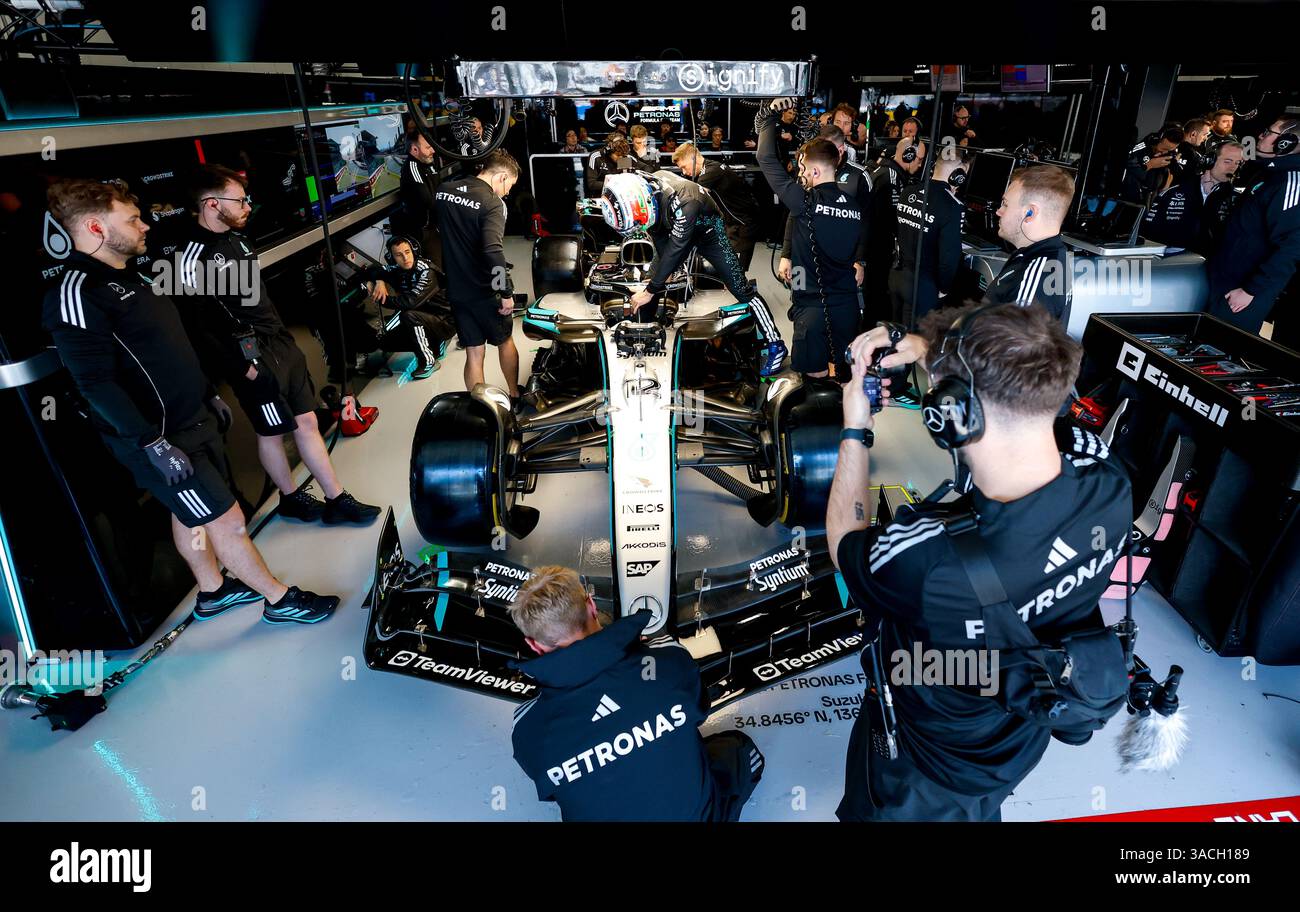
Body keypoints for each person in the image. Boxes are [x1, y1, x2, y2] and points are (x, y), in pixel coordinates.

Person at [829, 303, 1132, 821]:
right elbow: (1016, 391)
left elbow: (844, 540)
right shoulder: (1109, 482)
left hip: (926, 771)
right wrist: (926, 347)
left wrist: (855, 429)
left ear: (948, 417)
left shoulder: (925, 559)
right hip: (1023, 734)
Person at [43, 178, 341, 625]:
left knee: (190, 514)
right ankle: (279, 601)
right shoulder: (76, 294)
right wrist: (152, 444)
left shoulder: (137, 274)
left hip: (194, 417)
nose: (145, 226)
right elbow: (96, 386)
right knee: (229, 521)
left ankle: (213, 591)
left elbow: (173, 346)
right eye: (132, 219)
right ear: (95, 228)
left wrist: (206, 394)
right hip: (158, 438)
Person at [181, 165, 382, 525]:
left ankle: (336, 499)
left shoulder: (239, 239)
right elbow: (198, 328)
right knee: (272, 432)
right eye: (240, 200)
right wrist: (244, 368)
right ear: (211, 204)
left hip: (280, 345)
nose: (247, 206)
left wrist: (285, 340)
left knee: (306, 421)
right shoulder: (193, 257)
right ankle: (290, 498)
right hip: (251, 359)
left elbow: (256, 298)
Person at [508, 566, 765, 821]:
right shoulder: (666, 660)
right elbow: (700, 708)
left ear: (534, 644)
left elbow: (556, 790)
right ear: (592, 607)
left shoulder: (526, 730)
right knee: (740, 750)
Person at [591, 170, 788, 376]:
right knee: (653, 281)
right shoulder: (649, 193)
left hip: (710, 234)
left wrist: (650, 290)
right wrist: (654, 284)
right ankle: (646, 335)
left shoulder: (687, 200)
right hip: (674, 229)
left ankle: (776, 343)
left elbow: (676, 250)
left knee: (741, 289)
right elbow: (660, 240)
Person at [756, 98, 863, 380]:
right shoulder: (853, 206)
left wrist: (769, 116)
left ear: (815, 171)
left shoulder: (805, 202)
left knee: (814, 383)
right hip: (848, 307)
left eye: (804, 170)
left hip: (814, 310)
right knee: (844, 378)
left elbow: (765, 158)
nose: (801, 175)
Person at [434, 150, 524, 400]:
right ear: (502, 177)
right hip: (486, 289)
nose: (507, 192)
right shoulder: (492, 203)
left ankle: (481, 406)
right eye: (510, 186)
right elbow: (493, 250)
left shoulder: (443, 191)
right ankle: (514, 395)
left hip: (457, 288)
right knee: (505, 341)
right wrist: (505, 291)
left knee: (474, 351)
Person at [1206, 117, 1300, 334]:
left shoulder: (1290, 182)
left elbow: (1292, 246)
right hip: (1224, 280)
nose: (1260, 135)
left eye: (1268, 132)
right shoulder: (1267, 174)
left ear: (1285, 142)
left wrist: (1251, 290)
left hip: (1242, 291)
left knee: (1219, 353)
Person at [777, 125, 872, 301]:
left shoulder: (859, 176)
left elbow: (865, 223)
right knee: (799, 302)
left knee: (832, 309)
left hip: (838, 262)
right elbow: (794, 214)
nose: (822, 153)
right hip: (802, 258)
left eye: (827, 148)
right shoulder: (807, 169)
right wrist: (785, 255)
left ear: (841, 150)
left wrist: (860, 261)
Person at [356, 235, 455, 379]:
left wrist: (381, 299)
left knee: (408, 315)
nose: (405, 258)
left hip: (446, 322)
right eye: (399, 255)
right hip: (426, 318)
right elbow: (372, 270)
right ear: (392, 257)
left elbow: (410, 303)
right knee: (385, 342)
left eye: (407, 252)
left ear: (413, 251)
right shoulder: (397, 268)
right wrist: (378, 281)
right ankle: (434, 345)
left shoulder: (427, 271)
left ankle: (429, 361)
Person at [985, 165, 1075, 319]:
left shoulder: (1036, 280)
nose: (999, 211)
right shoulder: (1036, 257)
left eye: (1005, 204)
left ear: (1030, 213)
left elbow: (1009, 342)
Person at [891, 151, 967, 328]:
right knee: (916, 347)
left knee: (895, 338)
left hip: (897, 277)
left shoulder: (908, 191)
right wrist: (944, 288)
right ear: (958, 176)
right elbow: (949, 257)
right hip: (923, 287)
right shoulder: (953, 206)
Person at [1142, 140, 1244, 255]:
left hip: (1211, 267)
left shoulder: (1237, 201)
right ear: (1210, 160)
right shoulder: (1172, 193)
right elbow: (1148, 234)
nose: (1232, 168)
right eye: (1228, 161)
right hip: (1171, 264)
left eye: (1237, 163)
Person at [674, 141, 763, 270]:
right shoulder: (710, 166)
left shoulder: (710, 172)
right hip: (732, 221)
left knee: (735, 271)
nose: (683, 172)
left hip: (744, 222)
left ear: (693, 158)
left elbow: (694, 199)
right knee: (727, 266)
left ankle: (746, 289)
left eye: (684, 166)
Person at [394, 131, 442, 277]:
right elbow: (428, 200)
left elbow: (440, 189)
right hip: (422, 234)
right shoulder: (411, 168)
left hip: (435, 227)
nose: (433, 150)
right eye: (428, 147)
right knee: (434, 273)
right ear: (415, 150)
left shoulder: (430, 164)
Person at [1121, 126, 1182, 203]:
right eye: (1163, 149)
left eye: (1168, 150)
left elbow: (1178, 174)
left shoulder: (1171, 155)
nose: (1163, 153)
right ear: (1156, 142)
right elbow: (1128, 167)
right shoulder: (1142, 148)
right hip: (1129, 196)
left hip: (1151, 196)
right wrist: (1150, 165)